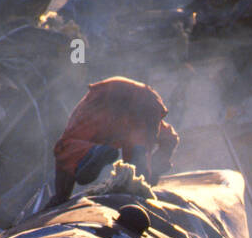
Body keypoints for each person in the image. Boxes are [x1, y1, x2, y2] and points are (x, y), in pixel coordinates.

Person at [51, 77, 179, 205]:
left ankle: (93, 152)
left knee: (68, 145)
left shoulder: (98, 120)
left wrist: (61, 196)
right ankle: (137, 180)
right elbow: (170, 137)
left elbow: (63, 155)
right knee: (137, 158)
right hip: (147, 101)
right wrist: (160, 160)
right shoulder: (146, 115)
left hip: (108, 97)